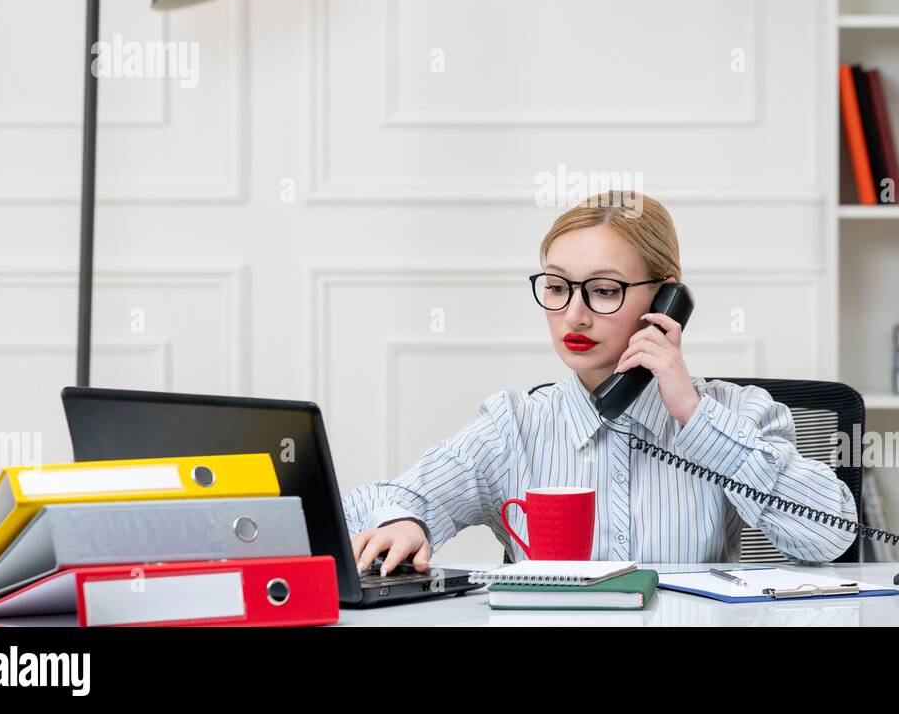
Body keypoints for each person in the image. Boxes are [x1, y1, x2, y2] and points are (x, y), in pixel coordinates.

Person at [342, 190, 858, 575]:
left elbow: (830, 534)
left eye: (605, 290)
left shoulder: (741, 413)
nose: (574, 315)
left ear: (665, 300)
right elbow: (378, 501)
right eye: (558, 287)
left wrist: (696, 420)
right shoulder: (515, 425)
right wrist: (401, 523)